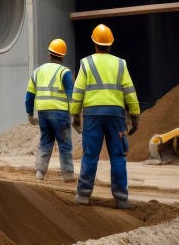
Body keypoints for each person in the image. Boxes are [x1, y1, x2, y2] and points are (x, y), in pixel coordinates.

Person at [70, 24, 140, 209]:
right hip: (116, 116)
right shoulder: (120, 64)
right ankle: (121, 199)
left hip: (92, 115)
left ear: (94, 43)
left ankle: (83, 196)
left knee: (90, 155)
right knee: (117, 156)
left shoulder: (86, 63)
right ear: (111, 44)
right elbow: (130, 92)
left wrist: (75, 115)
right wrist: (135, 116)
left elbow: (78, 92)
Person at [25, 38, 74, 181]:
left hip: (43, 114)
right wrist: (75, 114)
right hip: (60, 113)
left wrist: (29, 112)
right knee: (64, 144)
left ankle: (39, 173)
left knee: (45, 142)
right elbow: (71, 95)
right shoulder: (65, 72)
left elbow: (29, 95)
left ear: (49, 53)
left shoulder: (37, 71)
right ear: (63, 55)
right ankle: (68, 175)